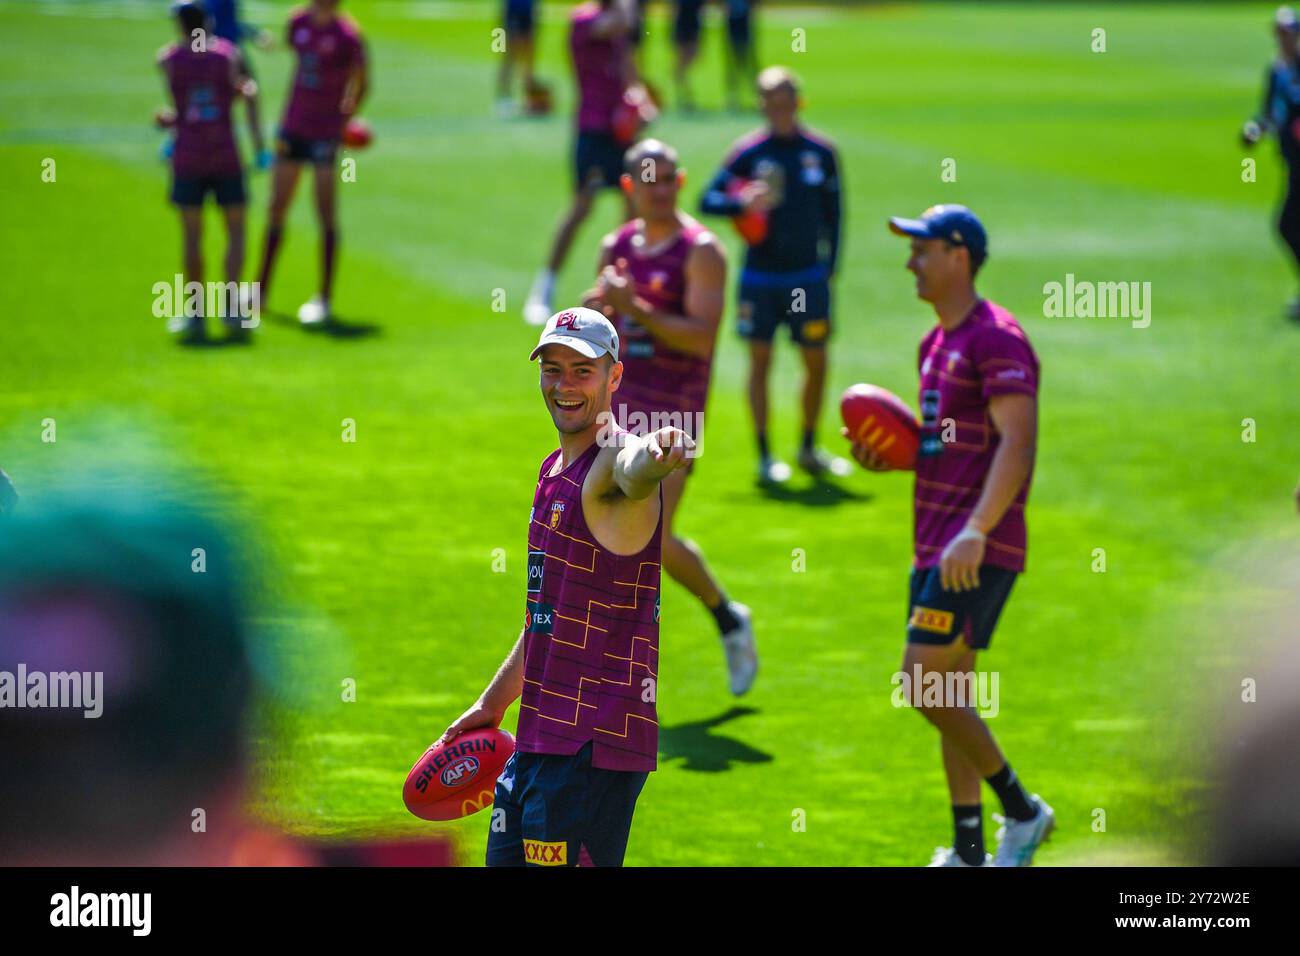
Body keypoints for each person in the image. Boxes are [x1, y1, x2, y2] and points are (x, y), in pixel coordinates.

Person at [438, 307, 694, 867]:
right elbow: (544, 619)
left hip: (591, 749)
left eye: (582, 370)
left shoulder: (610, 466)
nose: (564, 385)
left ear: (614, 378)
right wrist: (490, 705)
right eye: (552, 369)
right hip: (537, 742)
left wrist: (656, 455)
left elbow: (632, 468)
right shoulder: (552, 469)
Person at [848, 205, 1053, 867]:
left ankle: (1022, 811)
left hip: (976, 547)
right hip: (935, 542)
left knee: (922, 685)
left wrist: (975, 532)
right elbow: (948, 442)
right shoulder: (934, 344)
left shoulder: (998, 339)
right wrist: (897, 455)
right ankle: (969, 850)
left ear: (958, 255)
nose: (910, 262)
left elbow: (1018, 445)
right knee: (950, 693)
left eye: (921, 250)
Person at [583, 139, 758, 695]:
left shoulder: (701, 250)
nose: (658, 190)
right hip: (621, 411)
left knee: (642, 534)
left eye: (667, 179)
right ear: (630, 187)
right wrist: (598, 308)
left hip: (678, 415)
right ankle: (727, 616)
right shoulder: (616, 245)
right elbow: (604, 328)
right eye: (647, 180)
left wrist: (634, 306)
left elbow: (702, 336)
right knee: (624, 534)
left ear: (680, 183)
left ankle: (619, 678)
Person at [700, 66, 847, 483]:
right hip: (761, 278)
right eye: (771, 101)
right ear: (762, 104)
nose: (779, 109)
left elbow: (835, 216)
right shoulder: (747, 153)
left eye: (786, 101)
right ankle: (765, 455)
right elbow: (707, 198)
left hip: (807, 276)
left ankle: (807, 446)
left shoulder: (821, 152)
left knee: (815, 361)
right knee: (760, 361)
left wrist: (829, 268)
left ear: (798, 102)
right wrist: (741, 203)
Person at [524, 0, 638, 327]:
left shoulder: (618, 21)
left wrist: (639, 100)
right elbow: (617, 22)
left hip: (621, 133)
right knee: (581, 207)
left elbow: (628, 68)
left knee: (631, 211)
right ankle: (544, 286)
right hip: (593, 129)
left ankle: (616, 290)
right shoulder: (584, 19)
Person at [255, 0, 367, 326]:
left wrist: (344, 118)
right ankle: (260, 291)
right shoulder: (297, 21)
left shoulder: (348, 36)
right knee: (276, 207)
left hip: (325, 135)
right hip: (293, 127)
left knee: (325, 213)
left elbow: (362, 81)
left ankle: (324, 297)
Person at [156, 0, 258, 343]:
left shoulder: (168, 59)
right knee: (236, 232)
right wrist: (259, 146)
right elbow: (244, 93)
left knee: (192, 236)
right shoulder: (227, 56)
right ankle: (231, 309)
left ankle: (196, 314)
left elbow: (180, 107)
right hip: (225, 153)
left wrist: (171, 120)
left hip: (187, 156)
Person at [1243, 6, 1300, 320]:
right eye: (1278, 32)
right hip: (1292, 162)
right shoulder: (1277, 71)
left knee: (1288, 224)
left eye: (1288, 32)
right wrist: (1255, 129)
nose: (1283, 38)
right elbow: (1268, 112)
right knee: (1289, 225)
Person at [202, 0, 271, 169]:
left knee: (248, 95)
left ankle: (261, 152)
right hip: (220, 57)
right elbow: (202, 27)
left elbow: (229, 24)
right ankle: (260, 152)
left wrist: (254, 33)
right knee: (209, 102)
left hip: (230, 54)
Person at [497, 0, 538, 116]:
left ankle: (529, 99)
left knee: (529, 58)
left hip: (529, 9)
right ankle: (504, 99)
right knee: (509, 56)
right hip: (514, 9)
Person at [722, 0, 758, 111]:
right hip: (732, 28)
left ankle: (758, 96)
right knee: (732, 65)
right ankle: (733, 96)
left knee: (749, 65)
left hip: (744, 27)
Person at [672, 0, 705, 111]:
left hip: (693, 28)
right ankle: (684, 94)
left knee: (692, 59)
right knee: (683, 62)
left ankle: (684, 89)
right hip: (683, 28)